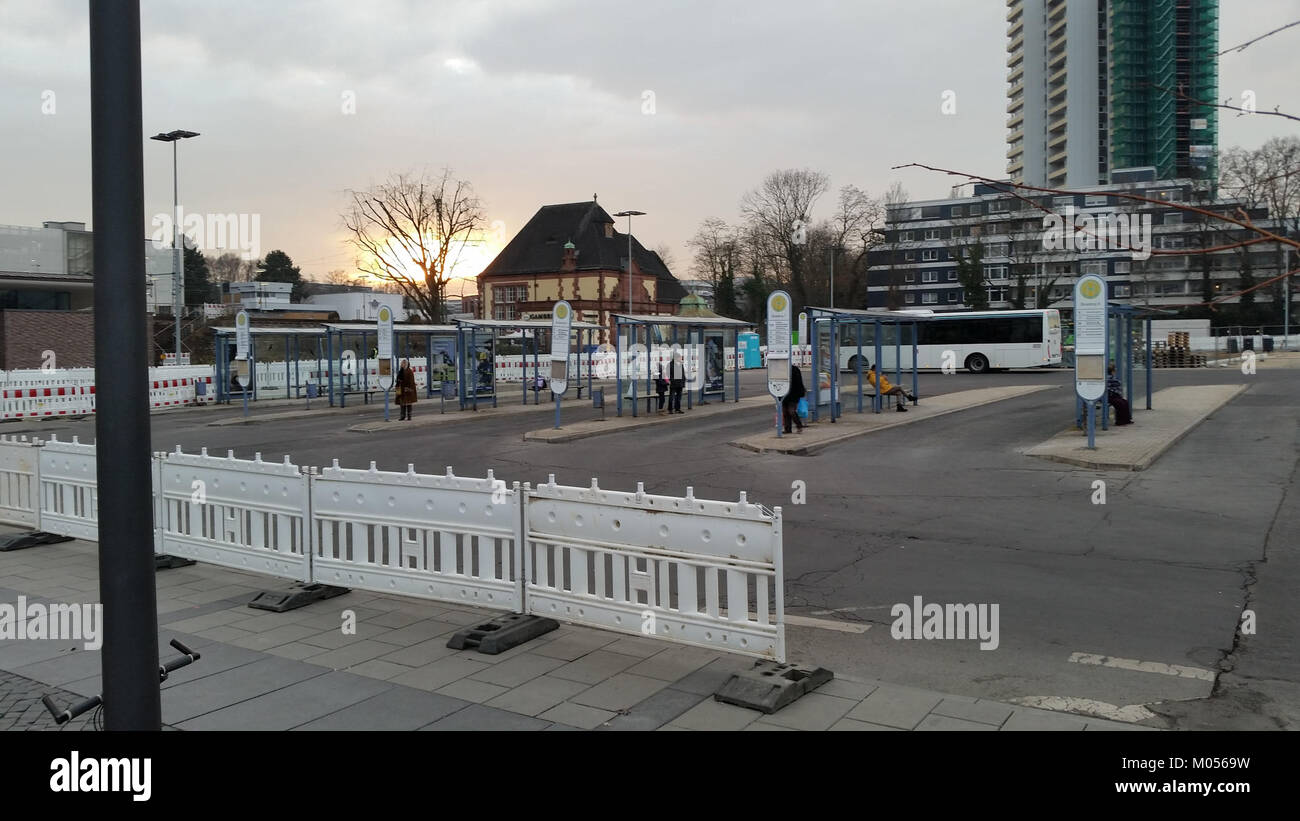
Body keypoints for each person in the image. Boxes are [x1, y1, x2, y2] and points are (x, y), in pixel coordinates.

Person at [782, 365, 806, 433]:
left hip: (793, 394)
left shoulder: (794, 369)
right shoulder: (783, 369)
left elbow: (798, 382)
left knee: (791, 411)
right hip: (785, 394)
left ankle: (799, 426)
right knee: (785, 412)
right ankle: (788, 429)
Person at [667, 350, 686, 414]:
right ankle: (670, 409)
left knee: (678, 397)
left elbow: (683, 374)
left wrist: (683, 381)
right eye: (679, 357)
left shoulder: (681, 364)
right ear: (676, 358)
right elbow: (668, 374)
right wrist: (672, 380)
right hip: (674, 383)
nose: (680, 358)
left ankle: (677, 409)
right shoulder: (670, 364)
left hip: (680, 383)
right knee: (671, 397)